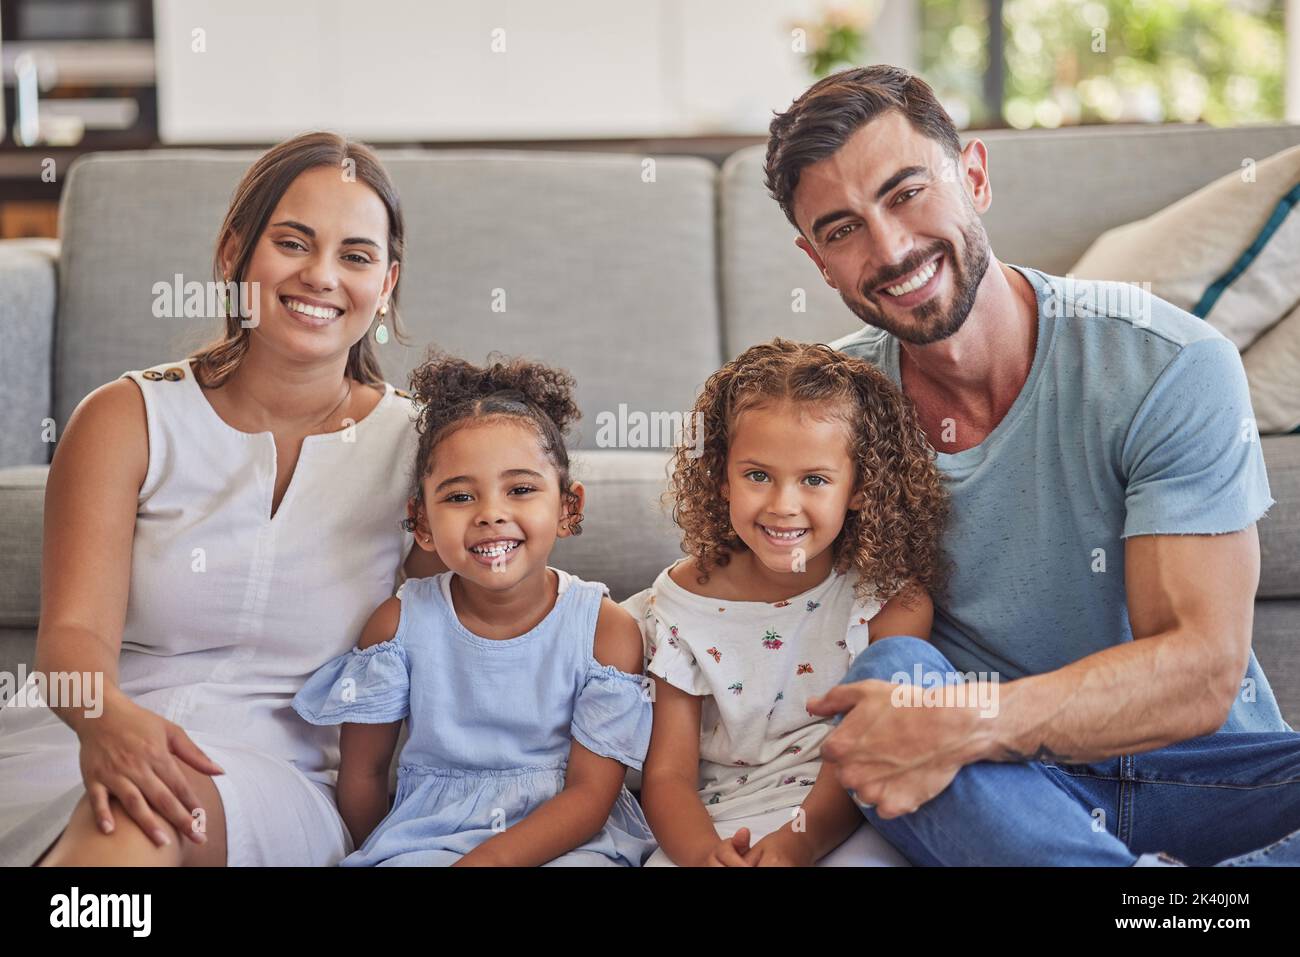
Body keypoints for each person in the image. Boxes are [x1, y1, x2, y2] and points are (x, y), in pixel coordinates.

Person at [764, 64, 1300, 865]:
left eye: (907, 192)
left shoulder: (1169, 364)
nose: (892, 247)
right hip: (1000, 787)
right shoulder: (829, 409)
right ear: (819, 262)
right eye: (843, 230)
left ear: (974, 176)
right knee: (891, 675)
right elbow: (721, 586)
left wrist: (972, 721)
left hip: (1211, 777)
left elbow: (1199, 672)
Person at [0, 131, 443, 866]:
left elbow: (450, 651)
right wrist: (108, 723)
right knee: (127, 809)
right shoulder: (125, 416)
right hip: (79, 744)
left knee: (144, 819)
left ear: (387, 285)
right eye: (292, 243)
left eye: (355, 256)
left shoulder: (421, 448)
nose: (321, 276)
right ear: (235, 251)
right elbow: (73, 635)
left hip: (277, 782)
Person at [292, 351, 656, 866]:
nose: (491, 514)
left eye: (522, 489)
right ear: (421, 522)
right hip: (427, 836)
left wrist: (487, 862)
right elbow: (363, 776)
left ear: (568, 507)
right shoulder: (398, 626)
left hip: (571, 838)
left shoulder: (605, 630)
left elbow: (590, 798)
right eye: (460, 497)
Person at [628, 339, 945, 866]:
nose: (782, 506)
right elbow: (667, 775)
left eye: (815, 480)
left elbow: (874, 750)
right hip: (716, 822)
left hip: (846, 817)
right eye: (757, 475)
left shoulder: (888, 603)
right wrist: (704, 853)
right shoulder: (680, 607)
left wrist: (799, 844)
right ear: (721, 476)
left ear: (861, 487)